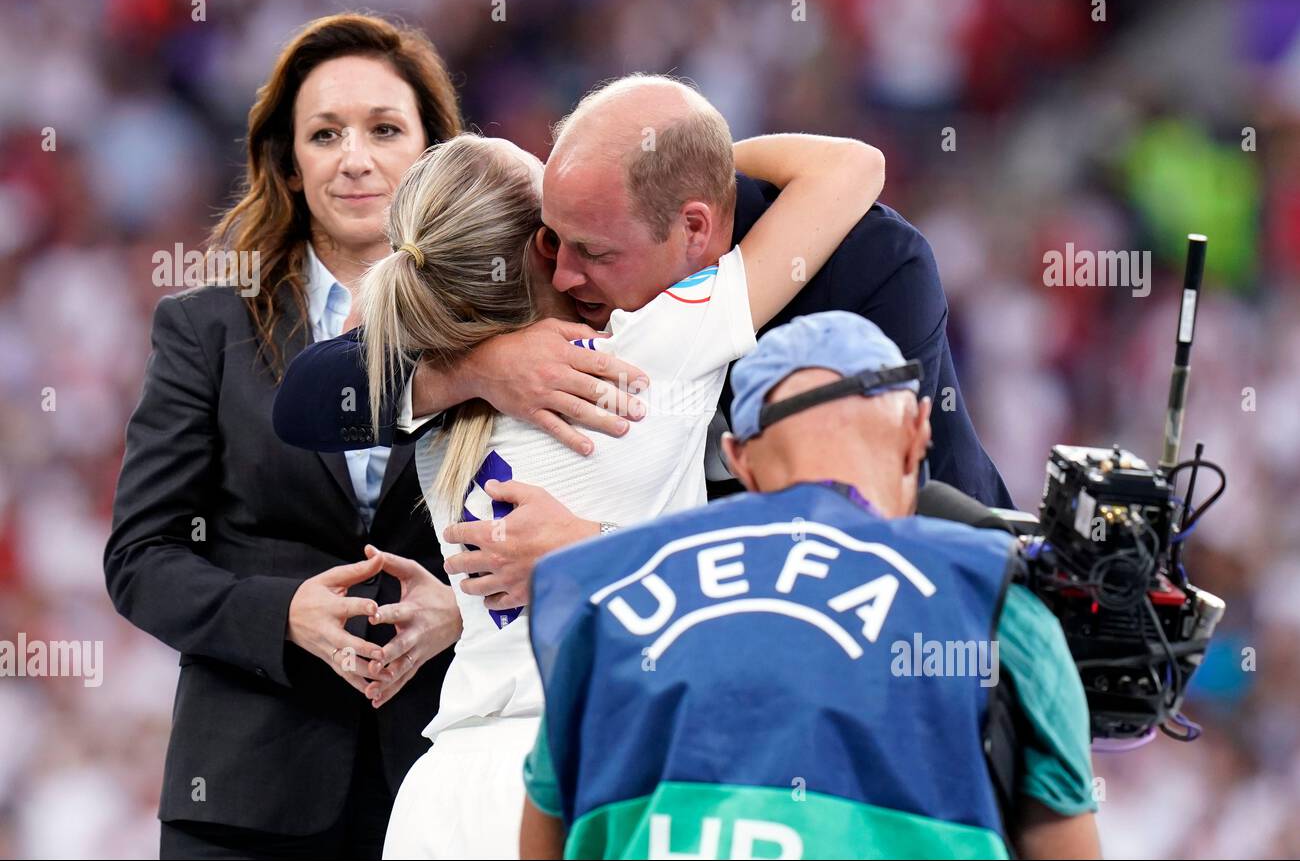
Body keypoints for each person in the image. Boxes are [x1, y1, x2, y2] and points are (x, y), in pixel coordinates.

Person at [273, 74, 1012, 616]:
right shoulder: (560, 310)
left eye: (590, 249)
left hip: (934, 610)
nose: (562, 272)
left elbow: (853, 536)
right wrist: (482, 367)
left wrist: (597, 551)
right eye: (549, 239)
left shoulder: (862, 266)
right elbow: (309, 401)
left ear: (693, 226)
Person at [348, 116, 885, 857]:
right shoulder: (645, 346)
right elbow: (849, 168)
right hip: (593, 767)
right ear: (541, 247)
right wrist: (678, 169)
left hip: (442, 790)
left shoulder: (434, 402)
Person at [520, 312, 1100, 860]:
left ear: (739, 459)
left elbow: (544, 829)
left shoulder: (605, 587)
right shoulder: (989, 593)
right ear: (919, 428)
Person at [103, 13, 466, 859]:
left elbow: (559, 543)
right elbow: (140, 558)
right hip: (241, 804)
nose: (355, 157)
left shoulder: (502, 332)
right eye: (325, 133)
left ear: (433, 156)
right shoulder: (205, 328)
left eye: (384, 129)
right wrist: (281, 614)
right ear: (289, 164)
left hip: (444, 784)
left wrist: (467, 615)